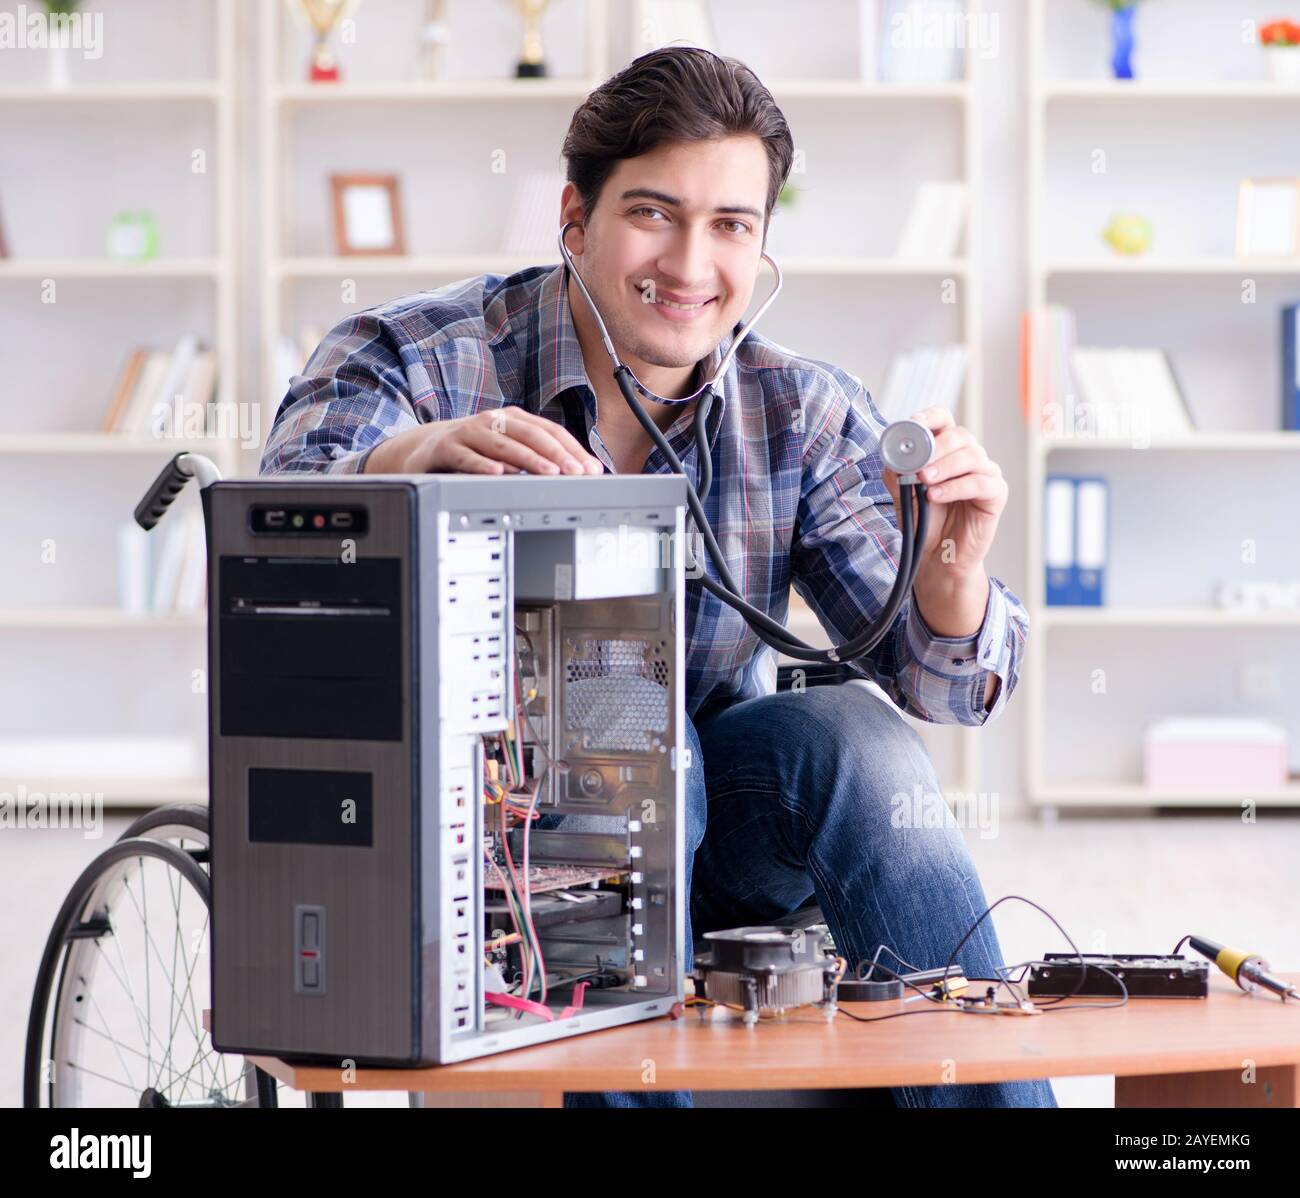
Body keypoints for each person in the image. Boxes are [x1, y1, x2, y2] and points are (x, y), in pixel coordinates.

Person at [260, 46, 1054, 1110]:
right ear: (573, 218)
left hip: (720, 825)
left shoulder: (799, 410)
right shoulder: (418, 356)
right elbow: (276, 527)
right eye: (652, 213)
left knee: (850, 737)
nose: (690, 264)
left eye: (730, 224)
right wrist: (407, 459)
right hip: (492, 833)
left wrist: (954, 557)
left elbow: (948, 688)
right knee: (626, 724)